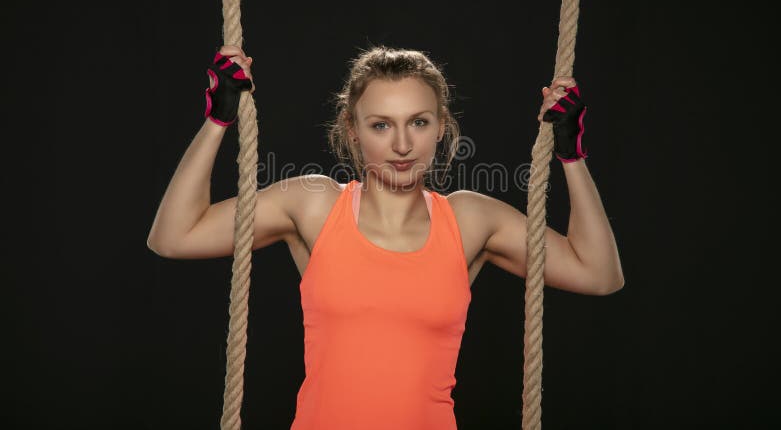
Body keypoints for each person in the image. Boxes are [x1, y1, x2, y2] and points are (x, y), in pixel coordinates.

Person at [146, 44, 624, 429]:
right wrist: (217, 122)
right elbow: (174, 236)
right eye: (381, 125)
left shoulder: (470, 220)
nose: (401, 145)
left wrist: (571, 157)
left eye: (418, 122)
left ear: (441, 128)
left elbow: (598, 274)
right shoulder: (315, 206)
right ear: (352, 131)